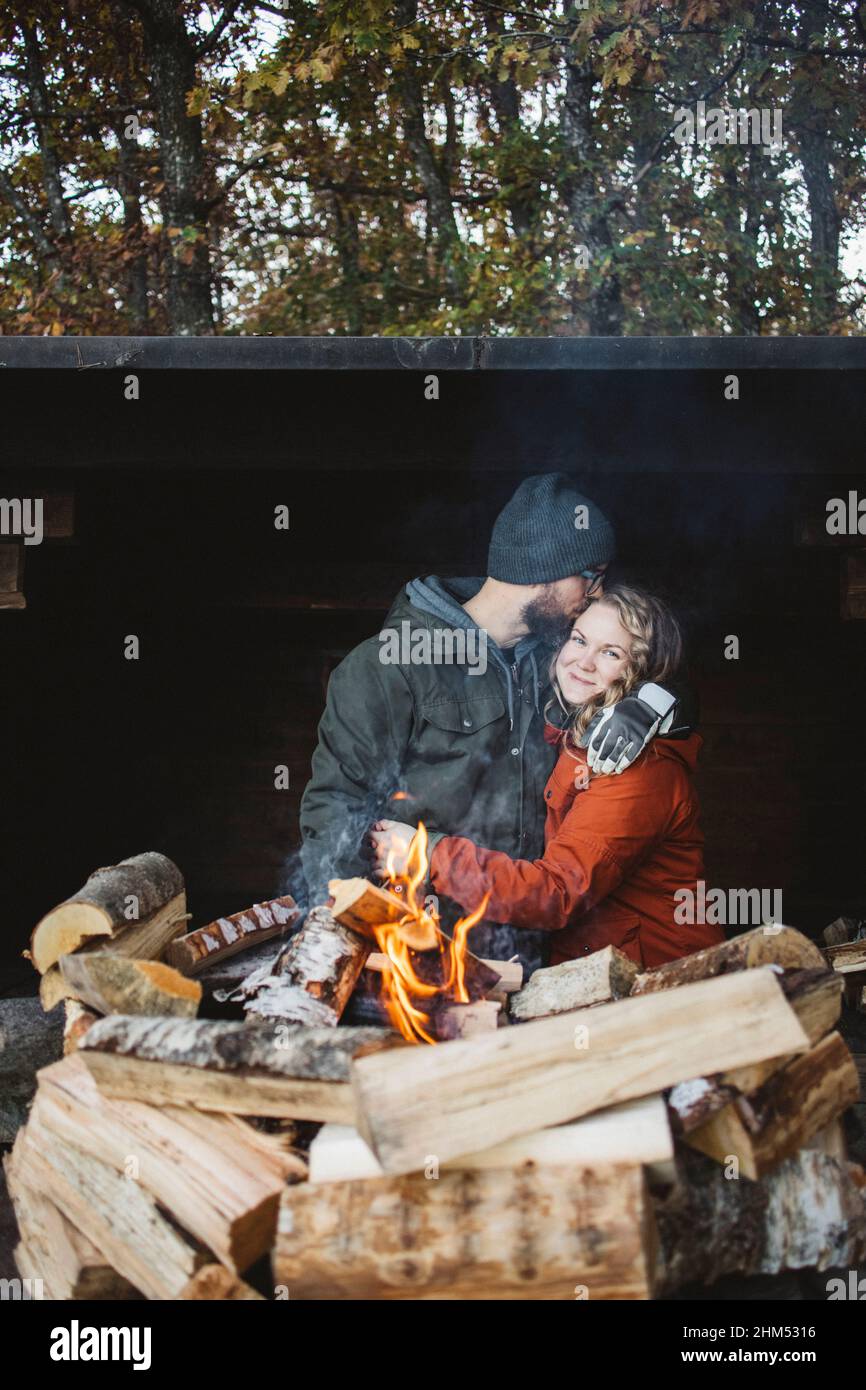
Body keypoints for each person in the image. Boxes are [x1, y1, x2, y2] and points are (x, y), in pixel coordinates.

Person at [299, 473, 690, 968]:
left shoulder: (559, 657)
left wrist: (651, 700)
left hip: (535, 950)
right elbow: (335, 810)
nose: (596, 592)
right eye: (590, 575)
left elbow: (644, 659)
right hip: (424, 950)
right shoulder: (388, 664)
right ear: (543, 570)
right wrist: (345, 934)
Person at [371, 585, 721, 969]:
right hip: (603, 966)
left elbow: (557, 893)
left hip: (661, 982)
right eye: (579, 639)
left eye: (610, 653)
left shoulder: (635, 767)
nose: (583, 662)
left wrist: (428, 853)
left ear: (641, 673)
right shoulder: (568, 728)